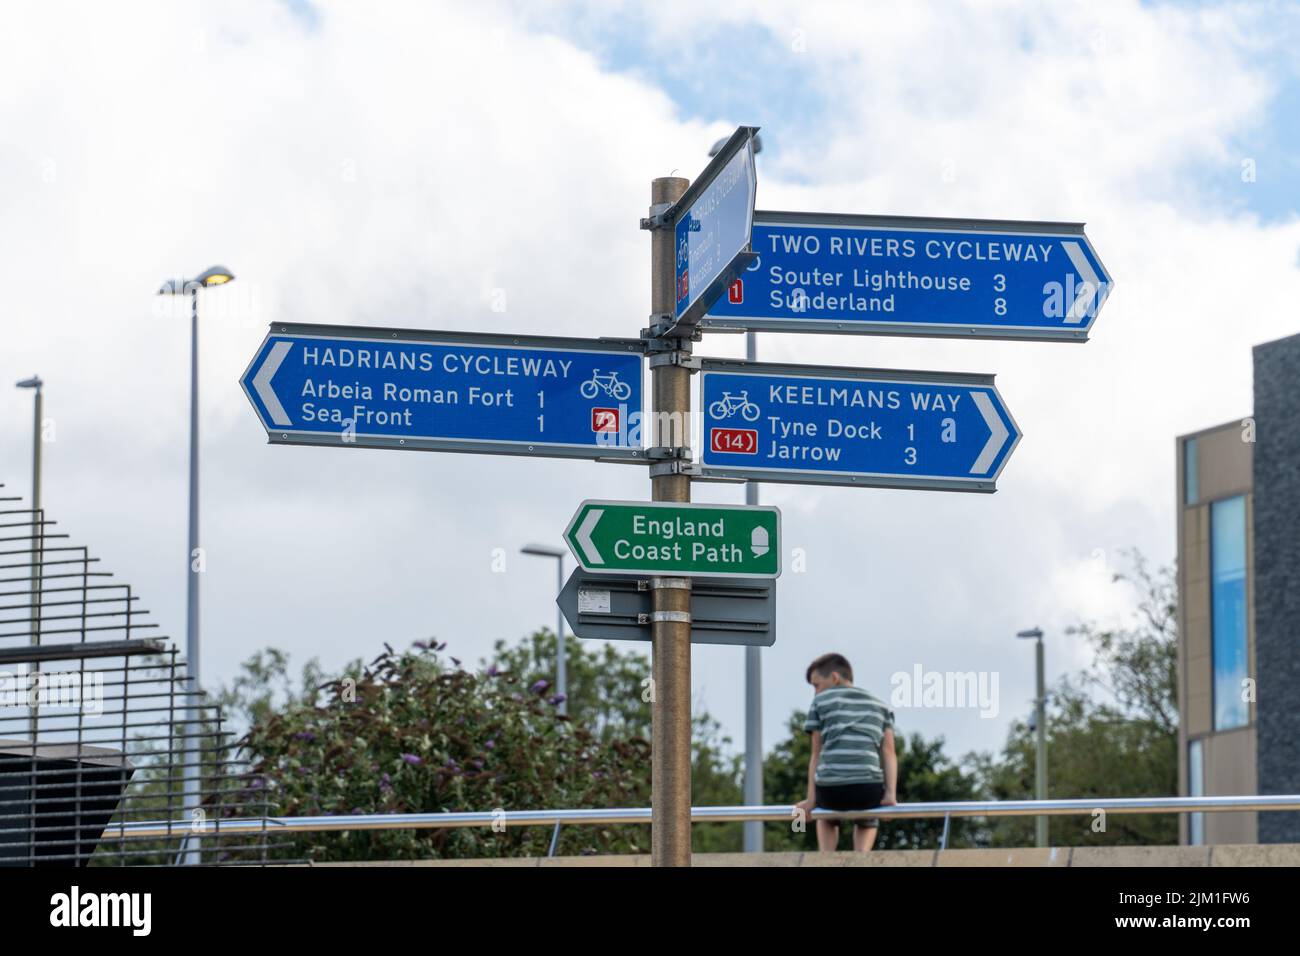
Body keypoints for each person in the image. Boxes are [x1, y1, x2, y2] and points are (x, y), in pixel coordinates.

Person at [795, 652, 897, 851]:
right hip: (868, 789)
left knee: (825, 816)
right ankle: (861, 859)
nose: (815, 692)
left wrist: (811, 799)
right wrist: (890, 795)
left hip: (831, 790)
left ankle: (827, 859)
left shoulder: (820, 702)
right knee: (868, 818)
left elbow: (816, 754)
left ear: (834, 678)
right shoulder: (881, 705)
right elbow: (889, 752)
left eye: (816, 685)